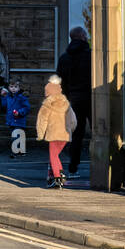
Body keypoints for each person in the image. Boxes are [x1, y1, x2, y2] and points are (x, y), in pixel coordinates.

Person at [57, 27, 91, 176]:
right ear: (83, 36)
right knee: (99, 130)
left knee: (77, 132)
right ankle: (100, 162)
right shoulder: (90, 55)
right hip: (91, 96)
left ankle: (73, 164)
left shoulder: (65, 57)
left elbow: (60, 81)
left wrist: (66, 96)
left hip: (74, 97)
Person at [35, 74, 76, 188]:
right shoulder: (66, 103)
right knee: (56, 155)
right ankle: (60, 174)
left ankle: (57, 177)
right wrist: (70, 130)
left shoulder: (47, 105)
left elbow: (41, 121)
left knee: (53, 156)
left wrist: (40, 134)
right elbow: (73, 120)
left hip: (53, 134)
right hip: (65, 135)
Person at [1, 78, 31, 158]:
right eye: (11, 86)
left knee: (17, 135)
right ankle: (20, 150)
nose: (13, 88)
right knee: (17, 135)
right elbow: (4, 106)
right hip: (11, 120)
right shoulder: (8, 96)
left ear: (19, 88)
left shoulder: (22, 97)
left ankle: (15, 151)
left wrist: (20, 112)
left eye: (16, 87)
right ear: (8, 88)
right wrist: (3, 96)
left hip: (19, 119)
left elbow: (27, 108)